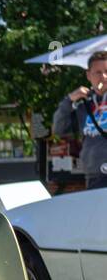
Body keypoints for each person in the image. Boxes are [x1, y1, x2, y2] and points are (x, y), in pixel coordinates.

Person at [52, 49, 107, 189]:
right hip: (93, 173)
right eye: (98, 73)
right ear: (88, 75)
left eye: (106, 71)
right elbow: (59, 129)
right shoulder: (84, 105)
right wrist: (69, 100)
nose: (104, 77)